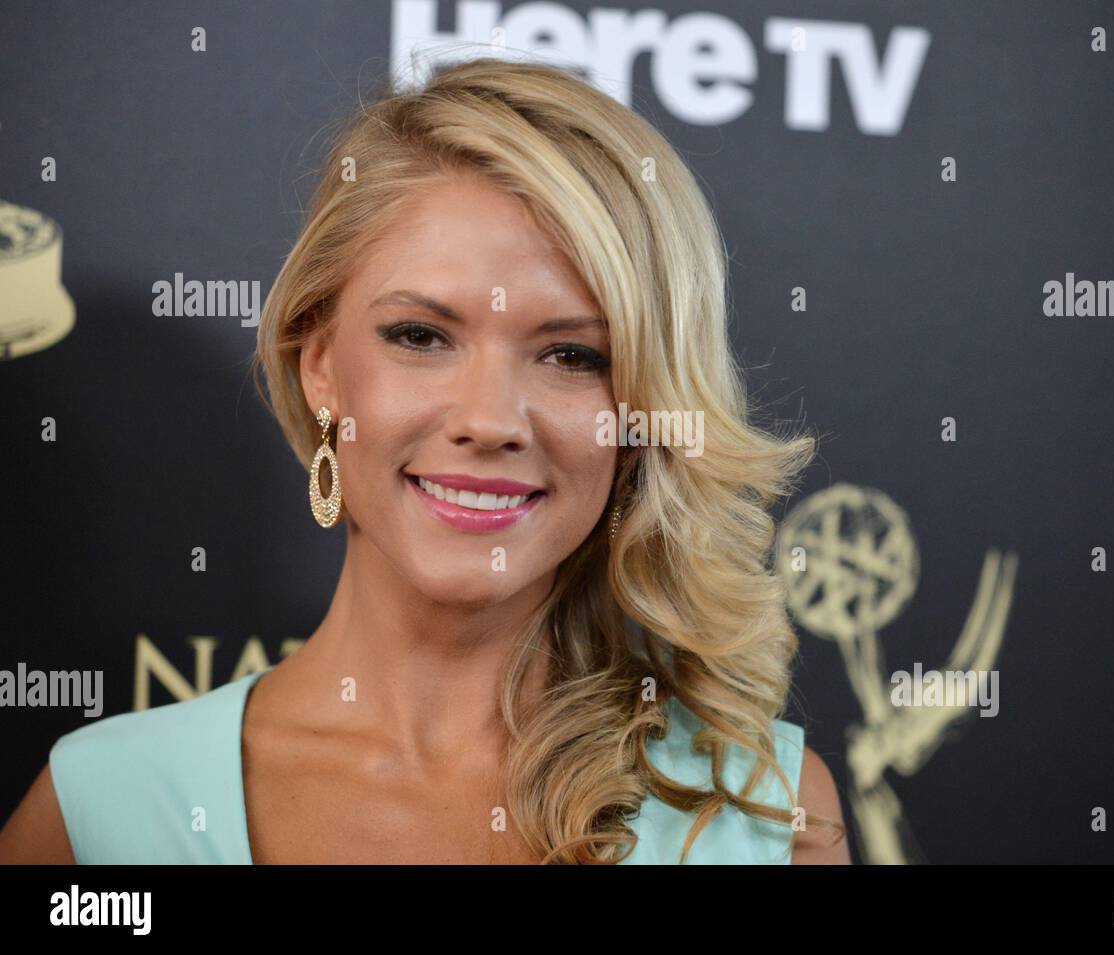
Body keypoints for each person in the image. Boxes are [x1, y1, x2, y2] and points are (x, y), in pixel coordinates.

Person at [0, 55, 849, 864]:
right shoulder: (107, 807)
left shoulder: (764, 817)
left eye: (572, 355)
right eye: (421, 335)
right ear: (321, 364)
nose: (488, 421)